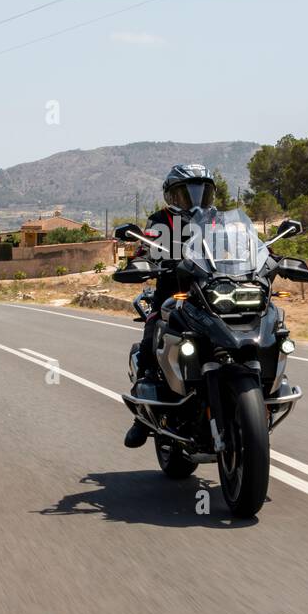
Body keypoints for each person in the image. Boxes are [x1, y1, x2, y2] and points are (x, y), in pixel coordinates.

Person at [120, 163, 216, 448]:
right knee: (153, 334)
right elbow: (144, 248)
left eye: (201, 192)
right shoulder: (160, 220)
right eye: (186, 192)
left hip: (212, 291)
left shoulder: (218, 221)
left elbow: (244, 245)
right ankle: (142, 416)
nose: (194, 199)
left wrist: (266, 254)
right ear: (172, 196)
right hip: (172, 291)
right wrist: (142, 259)